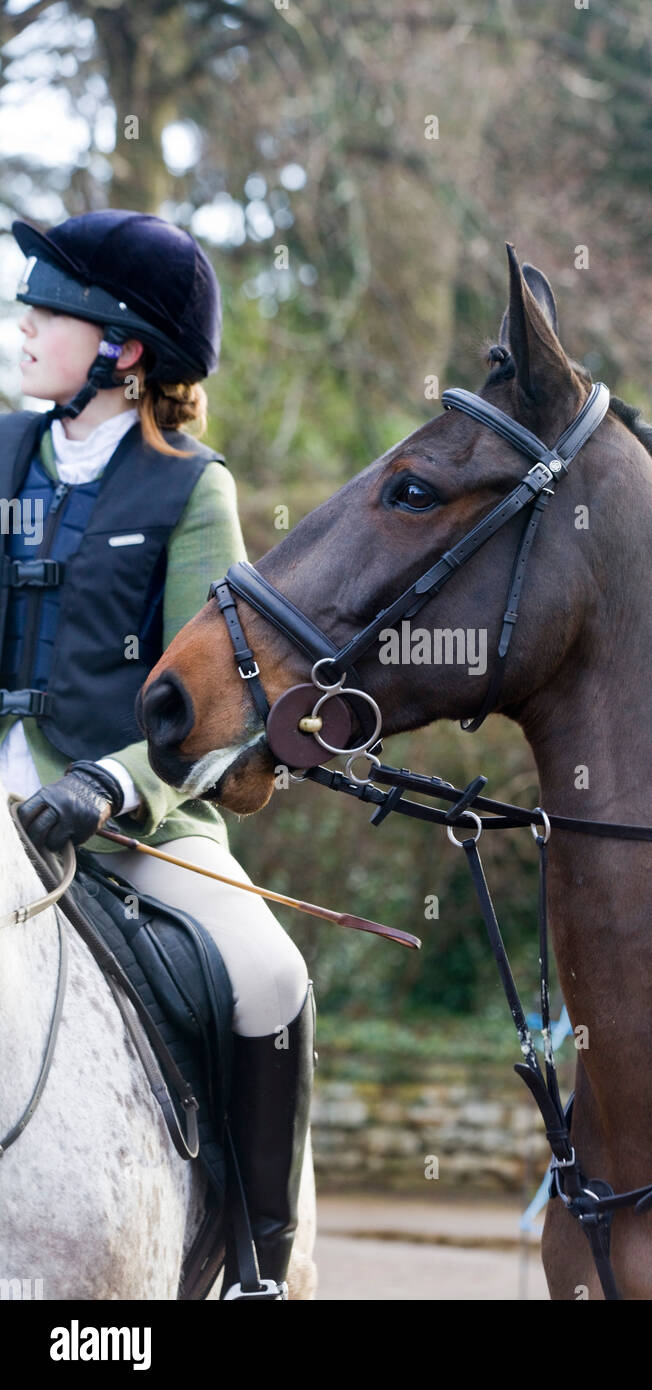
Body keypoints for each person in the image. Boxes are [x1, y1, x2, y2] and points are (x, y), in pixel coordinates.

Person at [0, 209, 313, 1300]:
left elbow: (214, 715)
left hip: (132, 819)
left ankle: (259, 1268)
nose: (24, 323)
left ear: (122, 350)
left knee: (270, 976)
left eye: (49, 310)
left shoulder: (191, 489)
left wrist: (108, 782)